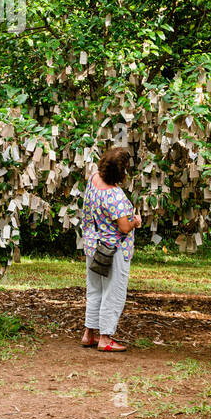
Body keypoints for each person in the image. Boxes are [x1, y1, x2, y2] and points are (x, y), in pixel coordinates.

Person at [79, 147, 142, 353]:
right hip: (113, 250)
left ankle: (89, 334)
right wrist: (136, 222)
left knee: (94, 288)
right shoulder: (115, 196)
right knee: (112, 292)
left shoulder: (94, 179)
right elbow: (124, 226)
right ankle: (105, 337)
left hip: (92, 245)